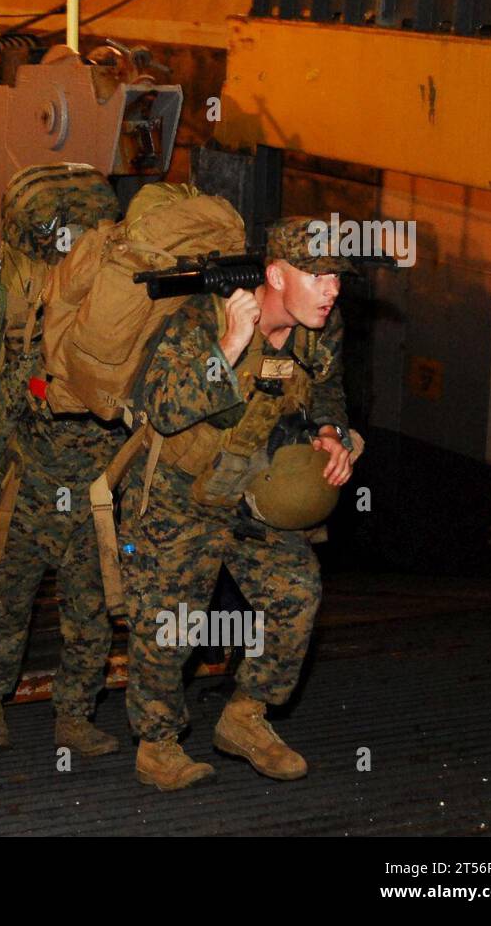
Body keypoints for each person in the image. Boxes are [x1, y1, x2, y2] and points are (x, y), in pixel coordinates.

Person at [121, 217, 361, 791]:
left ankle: (244, 717)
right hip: (181, 496)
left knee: (297, 594)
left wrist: (332, 433)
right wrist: (230, 345)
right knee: (170, 628)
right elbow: (160, 408)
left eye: (336, 276)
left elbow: (327, 391)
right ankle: (157, 745)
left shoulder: (320, 329)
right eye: (319, 274)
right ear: (276, 275)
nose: (332, 289)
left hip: (253, 493)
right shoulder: (201, 320)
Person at [0, 335, 125, 759]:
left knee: (89, 623)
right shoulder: (36, 360)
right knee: (3, 617)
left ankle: (74, 716)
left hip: (89, 513)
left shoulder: (126, 363)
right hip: (20, 510)